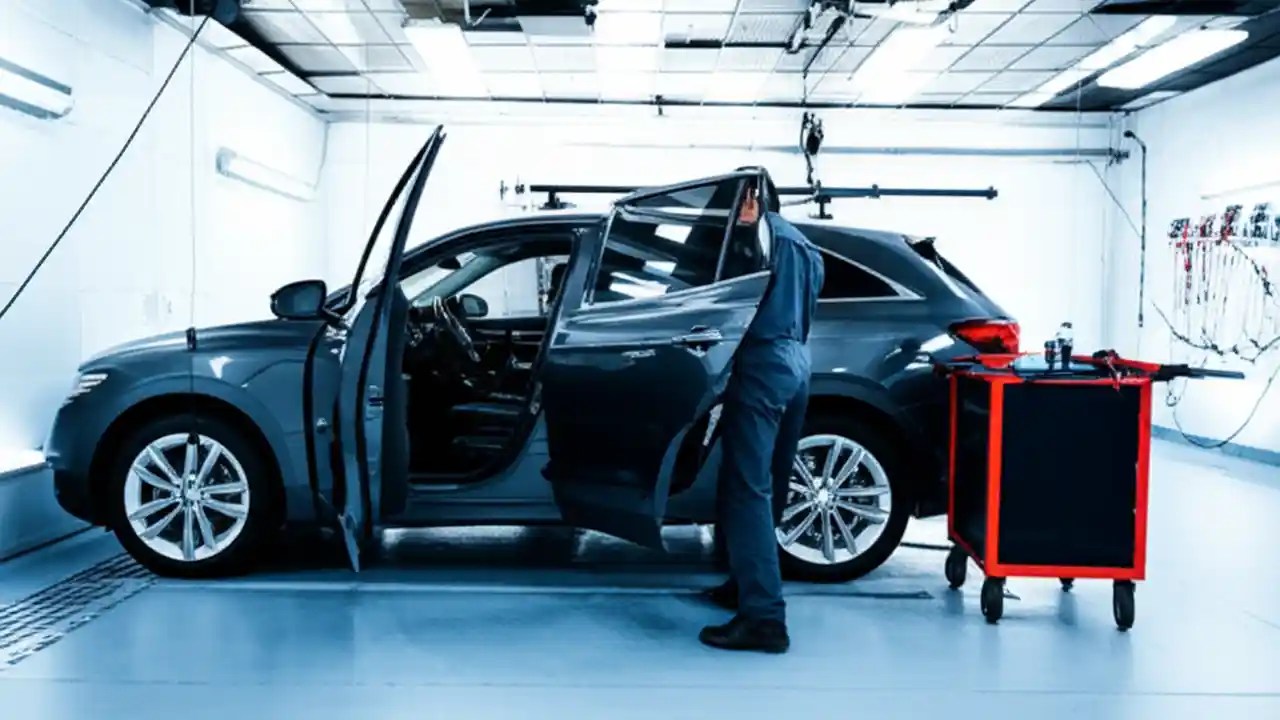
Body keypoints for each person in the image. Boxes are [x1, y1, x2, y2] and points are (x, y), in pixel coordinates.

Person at [698, 180, 824, 654]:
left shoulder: (762, 239)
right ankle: (746, 583)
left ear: (752, 200)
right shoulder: (805, 245)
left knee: (746, 488)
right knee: (769, 481)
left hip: (764, 363)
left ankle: (764, 620)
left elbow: (733, 303)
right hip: (796, 363)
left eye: (741, 204)